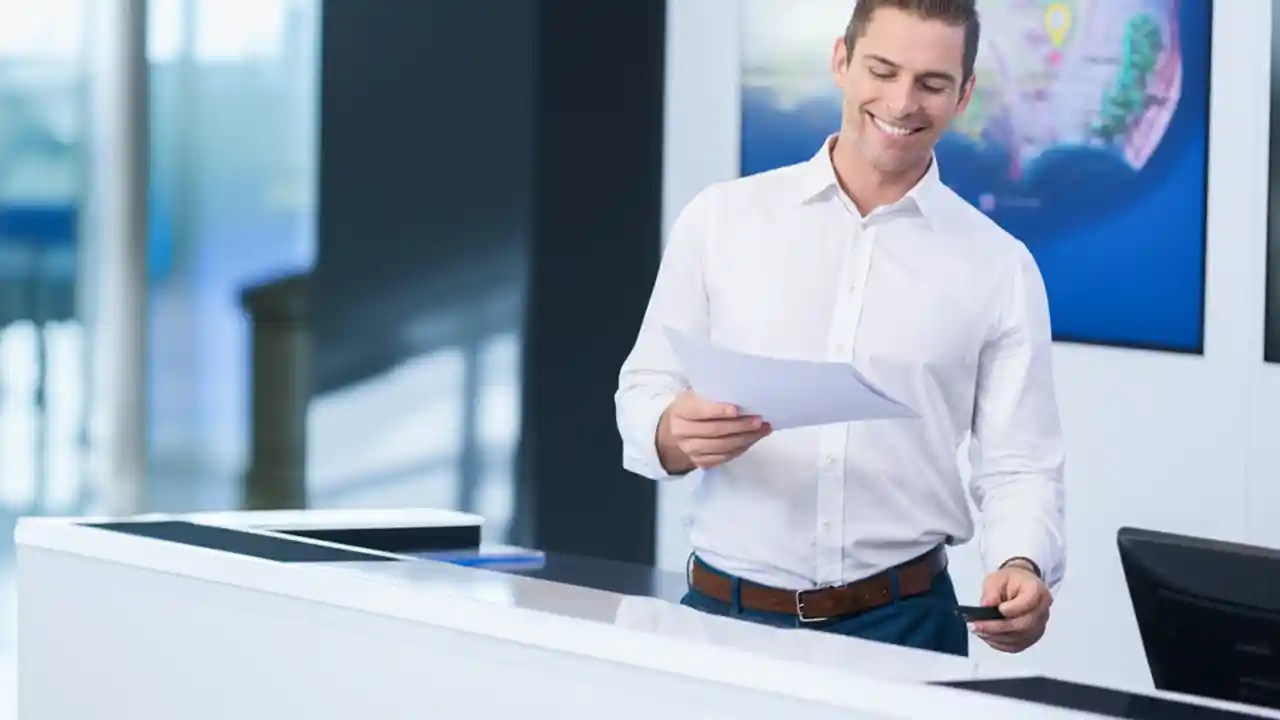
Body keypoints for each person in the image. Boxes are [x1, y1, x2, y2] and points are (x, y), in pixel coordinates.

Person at [615, 0, 1064, 658]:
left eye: (932, 83)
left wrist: (1022, 562)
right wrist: (671, 431)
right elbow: (644, 392)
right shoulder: (720, 221)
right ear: (841, 61)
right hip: (721, 623)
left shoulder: (999, 266)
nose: (902, 102)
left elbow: (1020, 462)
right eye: (882, 71)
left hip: (908, 626)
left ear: (964, 94)